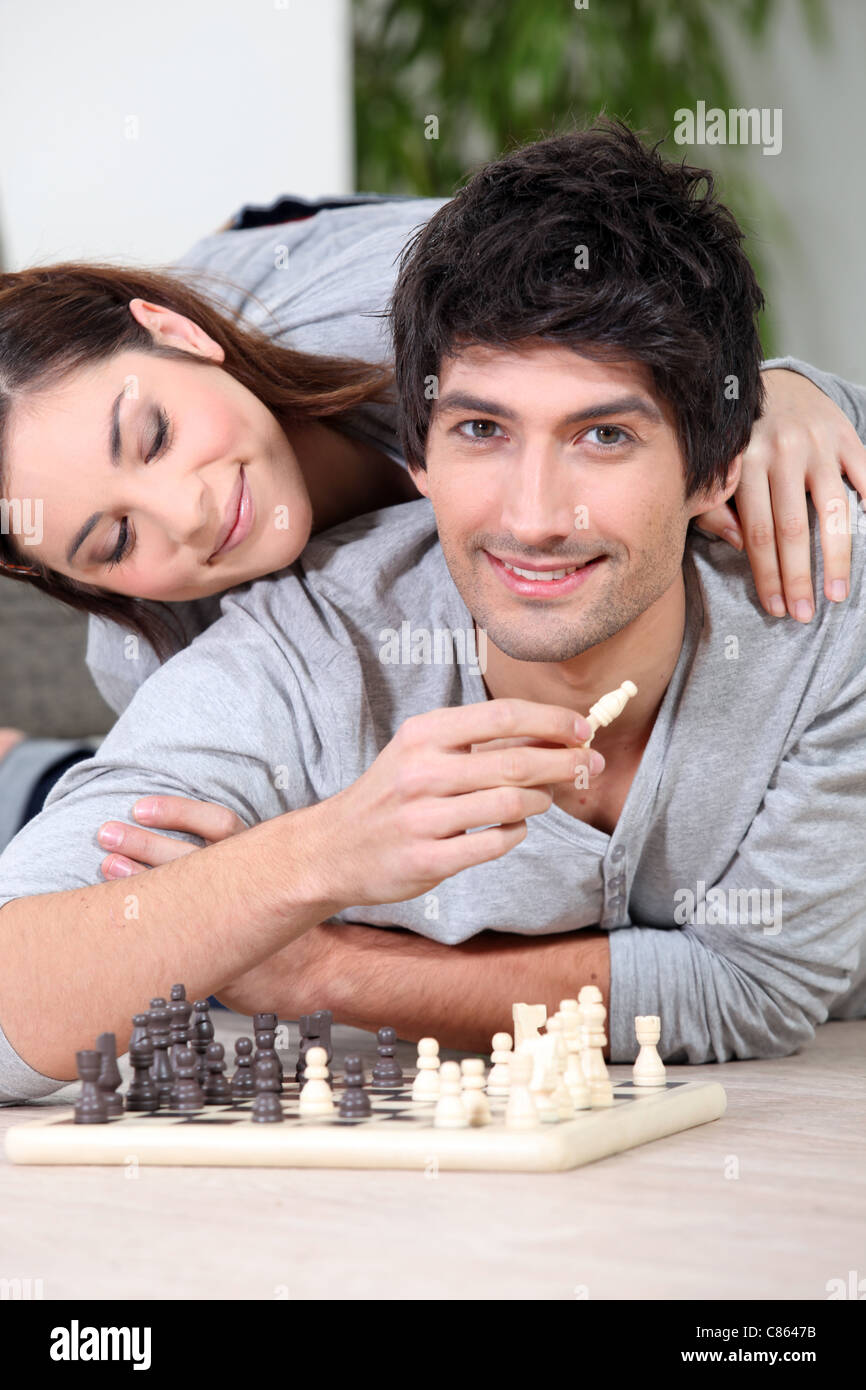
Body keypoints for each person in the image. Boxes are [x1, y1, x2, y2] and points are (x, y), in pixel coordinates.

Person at [1, 120, 865, 1102]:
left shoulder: (379, 300)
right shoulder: (260, 654)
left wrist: (787, 393)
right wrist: (314, 857)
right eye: (480, 429)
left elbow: (760, 986)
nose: (537, 519)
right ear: (417, 450)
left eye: (604, 435)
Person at [0, 182, 864, 852]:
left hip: (285, 250)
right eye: (114, 540)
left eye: (153, 437)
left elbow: (655, 310)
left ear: (177, 335)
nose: (184, 514)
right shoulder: (147, 654)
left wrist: (780, 391)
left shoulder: (390, 305)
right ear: (68, 578)